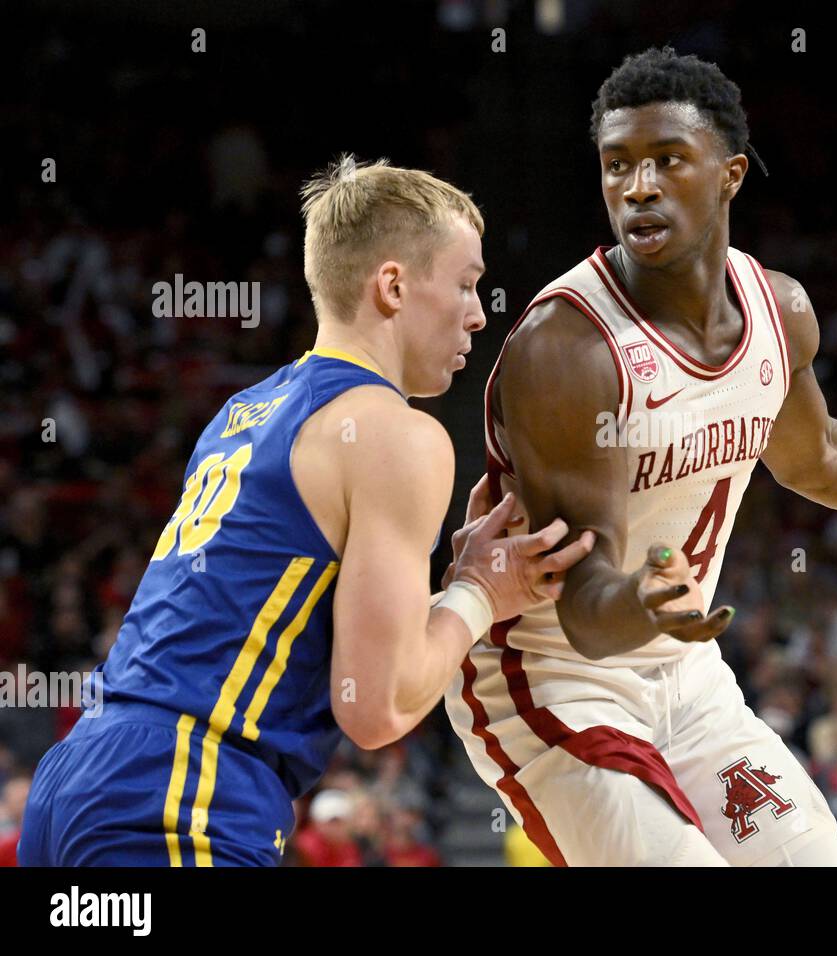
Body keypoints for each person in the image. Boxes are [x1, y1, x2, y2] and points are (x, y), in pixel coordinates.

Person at [445, 47, 837, 867]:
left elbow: (824, 461)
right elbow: (584, 604)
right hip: (550, 680)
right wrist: (643, 602)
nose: (638, 187)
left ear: (730, 174)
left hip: (686, 674)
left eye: (667, 160)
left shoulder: (781, 309)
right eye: (617, 165)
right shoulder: (569, 351)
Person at [19, 157, 593, 867]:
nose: (479, 311)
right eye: (467, 283)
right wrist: (482, 592)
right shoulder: (396, 432)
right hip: (183, 790)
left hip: (83, 773)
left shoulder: (244, 410)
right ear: (393, 285)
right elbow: (376, 709)